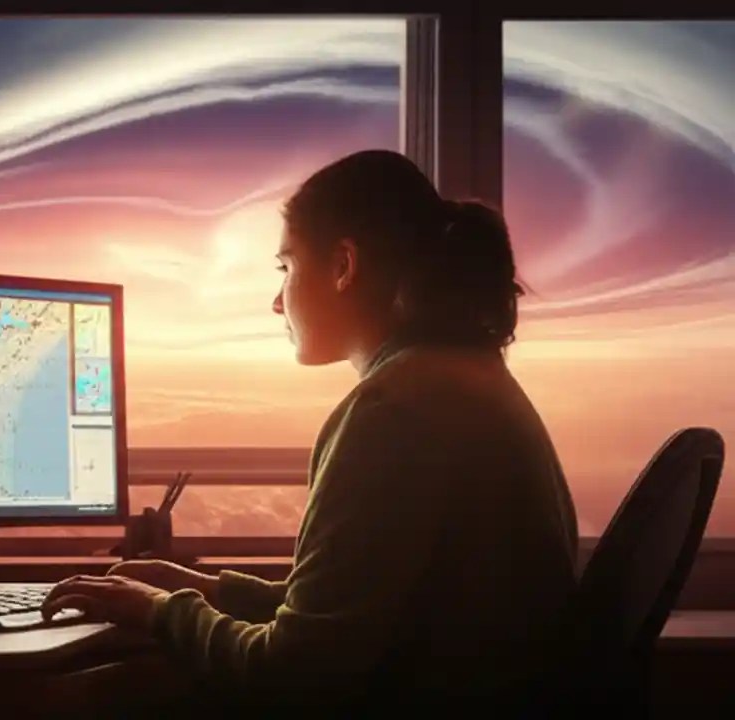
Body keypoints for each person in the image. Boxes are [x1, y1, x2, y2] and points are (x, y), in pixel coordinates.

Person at [41, 149, 580, 714]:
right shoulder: (466, 379)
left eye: (286, 267)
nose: (277, 302)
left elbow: (293, 674)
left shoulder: (392, 413)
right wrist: (207, 590)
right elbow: (353, 609)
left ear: (343, 266)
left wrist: (159, 612)